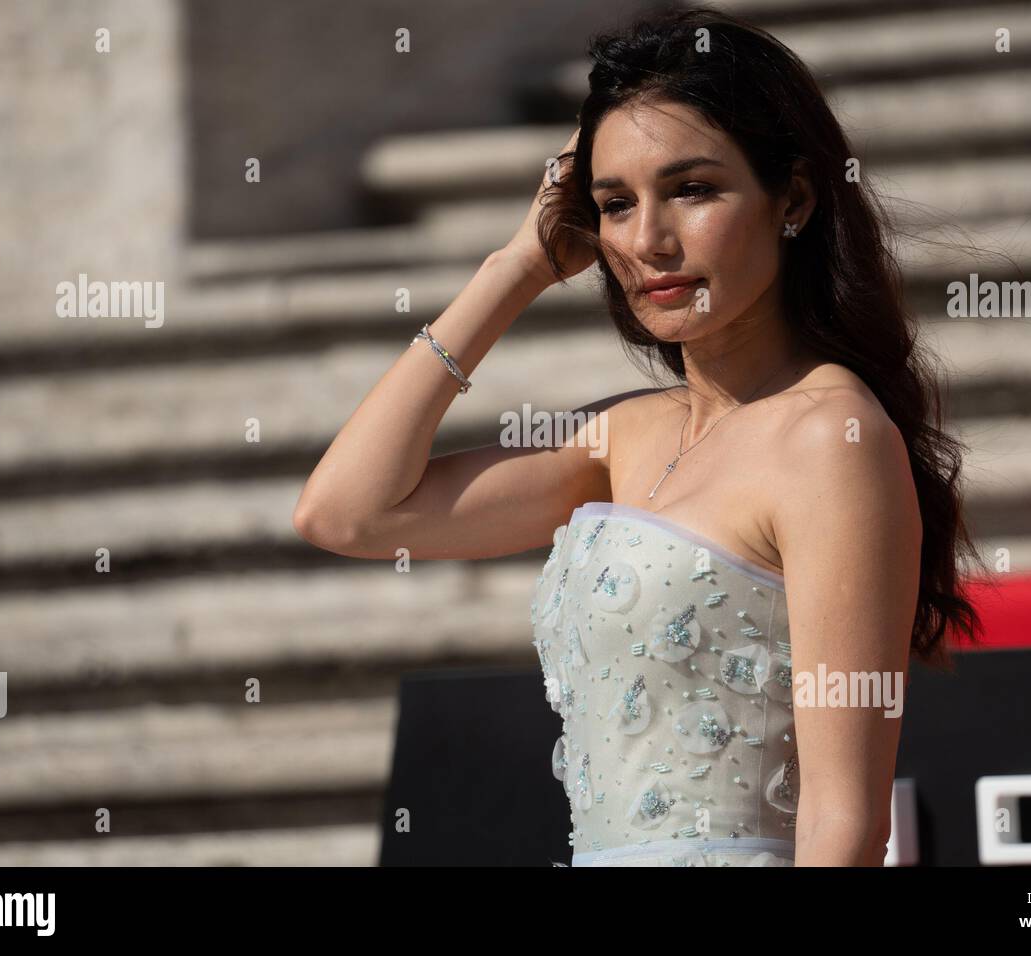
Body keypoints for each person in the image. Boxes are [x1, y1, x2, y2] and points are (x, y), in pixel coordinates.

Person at [293, 5, 984, 867]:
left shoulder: (831, 437)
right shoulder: (624, 437)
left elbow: (845, 824)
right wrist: (516, 267)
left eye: (692, 189)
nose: (649, 241)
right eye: (615, 204)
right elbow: (346, 514)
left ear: (794, 198)